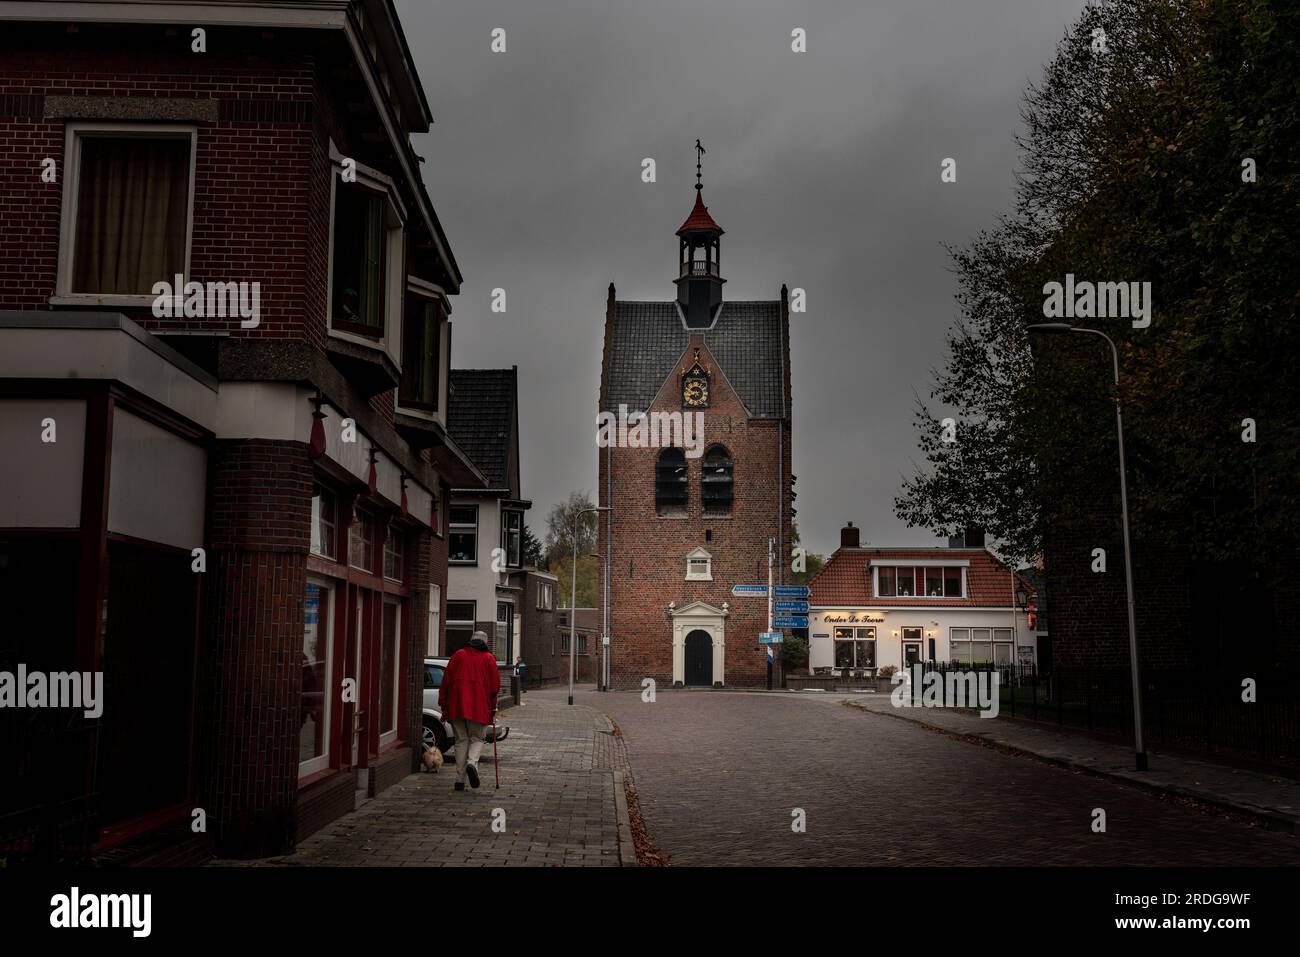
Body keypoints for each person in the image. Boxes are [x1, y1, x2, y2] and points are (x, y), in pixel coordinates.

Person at [438, 631, 500, 790]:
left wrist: (443, 704)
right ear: (486, 643)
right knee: (477, 738)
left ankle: (459, 780)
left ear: (470, 641)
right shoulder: (488, 658)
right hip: (479, 707)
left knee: (461, 741)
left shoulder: (458, 655)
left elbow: (445, 682)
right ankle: (472, 763)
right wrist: (493, 708)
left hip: (456, 705)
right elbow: (495, 687)